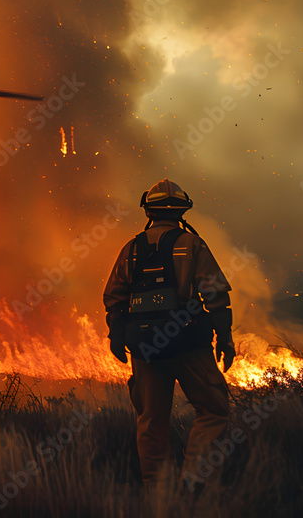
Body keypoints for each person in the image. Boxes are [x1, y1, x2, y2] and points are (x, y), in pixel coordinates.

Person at [103, 179, 236, 487]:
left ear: (148, 209)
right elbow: (215, 294)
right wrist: (224, 338)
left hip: (146, 348)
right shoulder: (191, 244)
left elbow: (115, 298)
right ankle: (196, 483)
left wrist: (117, 336)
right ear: (182, 209)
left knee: (150, 420)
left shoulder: (132, 248)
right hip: (190, 343)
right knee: (213, 409)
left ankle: (159, 492)